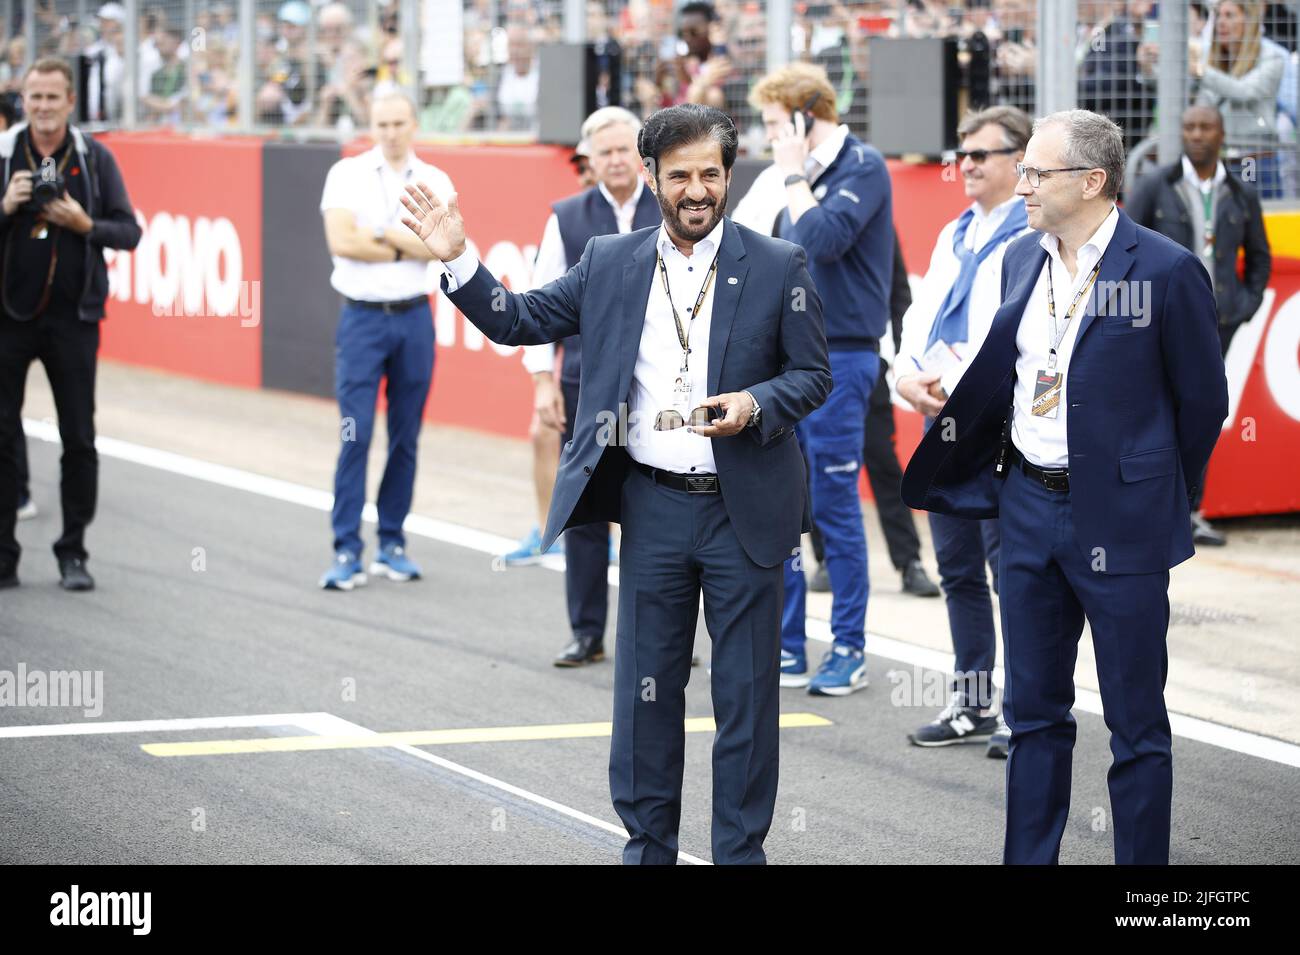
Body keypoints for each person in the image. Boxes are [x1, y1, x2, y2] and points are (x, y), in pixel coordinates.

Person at [402, 103, 830, 864]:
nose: (696, 190)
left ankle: (740, 856)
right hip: (653, 508)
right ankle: (647, 850)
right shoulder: (609, 259)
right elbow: (518, 319)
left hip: (746, 515)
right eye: (680, 176)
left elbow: (813, 375)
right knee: (645, 697)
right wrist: (459, 258)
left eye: (710, 174)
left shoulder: (778, 264)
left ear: (729, 175)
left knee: (745, 701)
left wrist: (754, 403)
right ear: (652, 178)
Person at [903, 110, 1228, 865]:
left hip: (1121, 519)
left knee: (1136, 723)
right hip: (1026, 509)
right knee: (1033, 714)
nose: (1021, 184)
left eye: (1035, 172)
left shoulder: (1166, 271)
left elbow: (1203, 406)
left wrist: (1154, 494)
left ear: (1091, 181)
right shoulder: (1020, 257)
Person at [894, 105, 1034, 756]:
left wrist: (958, 386)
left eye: (982, 154)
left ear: (1019, 160)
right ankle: (973, 702)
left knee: (1012, 570)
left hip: (999, 423)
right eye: (964, 154)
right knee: (956, 566)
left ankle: (1024, 711)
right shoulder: (957, 230)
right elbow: (921, 313)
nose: (967, 165)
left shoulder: (1033, 234)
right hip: (942, 416)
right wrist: (904, 375)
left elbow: (1015, 330)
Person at [749, 62, 892, 696]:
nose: (769, 136)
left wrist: (792, 174)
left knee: (834, 507)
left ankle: (848, 647)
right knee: (783, 505)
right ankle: (786, 645)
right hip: (790, 362)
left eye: (776, 123)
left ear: (808, 116)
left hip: (844, 357)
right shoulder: (794, 175)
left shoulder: (863, 165)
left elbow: (823, 238)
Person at [516, 106, 662, 666]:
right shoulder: (567, 217)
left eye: (625, 149)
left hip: (659, 389)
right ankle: (586, 633)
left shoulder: (671, 204)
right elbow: (537, 304)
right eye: (605, 152)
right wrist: (542, 382)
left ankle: (661, 633)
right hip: (586, 388)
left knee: (658, 511)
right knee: (585, 510)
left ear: (641, 157)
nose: (616, 160)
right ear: (589, 160)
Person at [0, 57, 142, 591]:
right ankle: (3, 555)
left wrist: (84, 224)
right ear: (23, 100)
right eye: (34, 97)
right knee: (2, 436)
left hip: (73, 321)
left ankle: (73, 552)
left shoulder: (94, 158)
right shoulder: (4, 152)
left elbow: (130, 232)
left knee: (78, 437)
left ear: (70, 102)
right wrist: (5, 206)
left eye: (52, 97)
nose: (42, 107)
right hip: (8, 320)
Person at [317, 92, 454, 591]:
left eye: (399, 123)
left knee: (405, 436)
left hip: (414, 318)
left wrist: (380, 233)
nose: (391, 132)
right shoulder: (346, 174)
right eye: (382, 124)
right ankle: (346, 549)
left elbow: (441, 246)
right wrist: (406, 242)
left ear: (414, 124)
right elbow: (342, 241)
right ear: (371, 126)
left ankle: (392, 542)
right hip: (362, 320)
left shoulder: (435, 179)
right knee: (354, 433)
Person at [1125, 103, 1271, 547]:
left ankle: (1190, 512)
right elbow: (1125, 247)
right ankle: (1152, 508)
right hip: (1160, 322)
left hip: (1216, 323)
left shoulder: (1241, 192)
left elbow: (1259, 257)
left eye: (1206, 127)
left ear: (1221, 134)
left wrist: (1244, 306)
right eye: (1189, 127)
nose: (1197, 134)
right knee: (1155, 410)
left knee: (1202, 411)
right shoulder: (1156, 184)